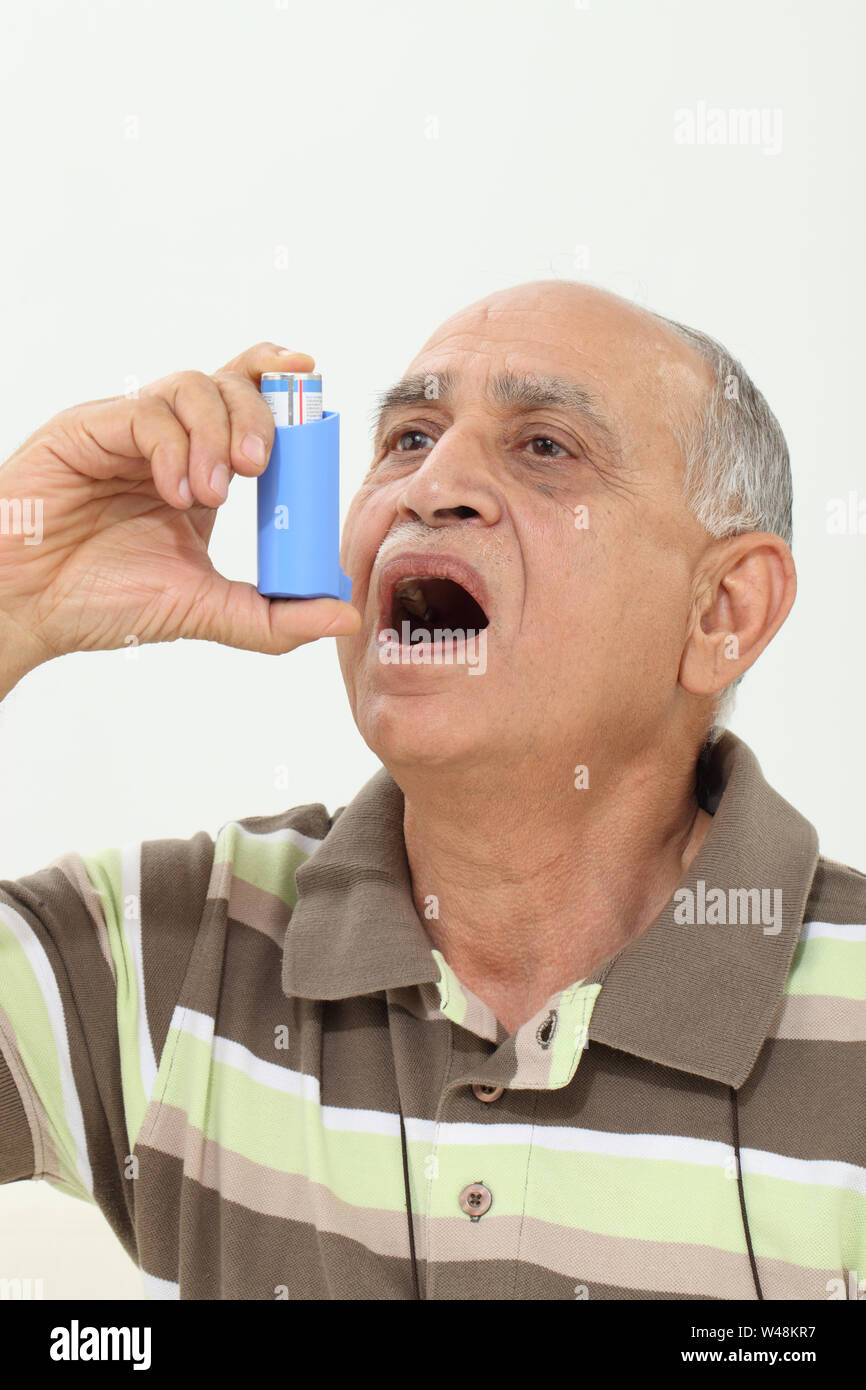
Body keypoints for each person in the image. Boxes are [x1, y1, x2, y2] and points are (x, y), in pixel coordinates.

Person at [0, 281, 863, 1301]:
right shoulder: (173, 954)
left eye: (546, 446)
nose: (431, 484)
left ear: (722, 606)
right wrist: (12, 602)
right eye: (407, 437)